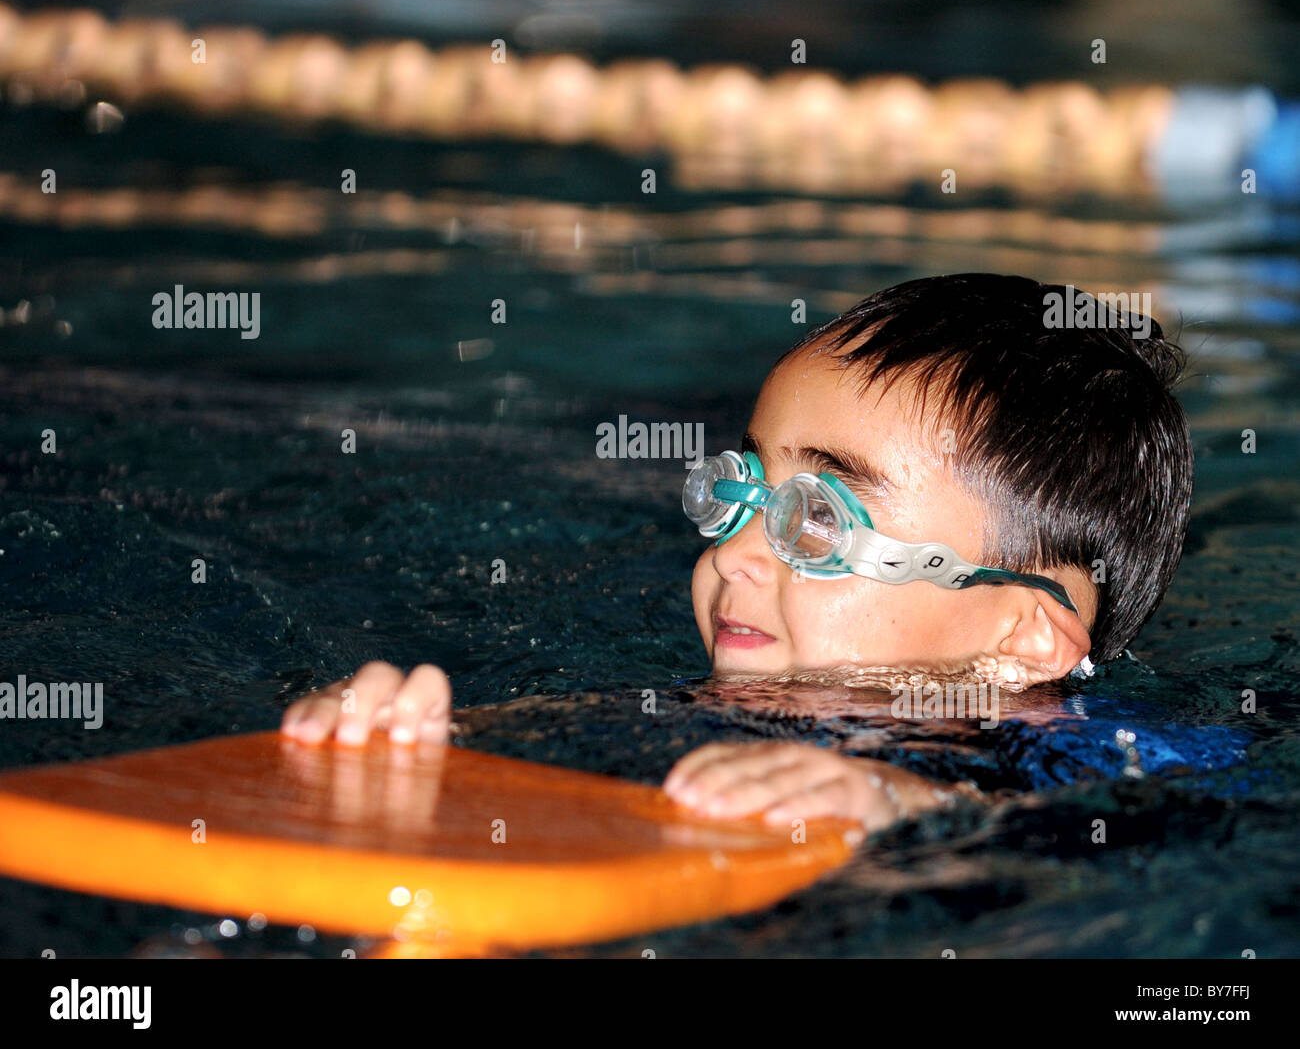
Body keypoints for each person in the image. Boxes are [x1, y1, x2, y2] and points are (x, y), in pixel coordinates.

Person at [281, 274, 1193, 831]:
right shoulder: (678, 709)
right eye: (744, 491)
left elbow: (1117, 834)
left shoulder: (1107, 756)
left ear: (1024, 637)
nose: (735, 554)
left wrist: (905, 807)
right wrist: (402, 742)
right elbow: (535, 752)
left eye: (820, 520)